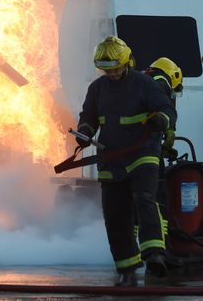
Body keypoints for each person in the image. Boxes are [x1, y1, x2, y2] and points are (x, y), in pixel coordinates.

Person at [76, 36, 177, 286]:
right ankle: (127, 266)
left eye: (115, 69)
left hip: (143, 152)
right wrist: (85, 132)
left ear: (126, 62)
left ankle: (154, 254)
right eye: (106, 70)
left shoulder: (144, 84)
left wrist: (161, 120)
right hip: (112, 157)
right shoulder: (97, 88)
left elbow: (167, 109)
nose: (111, 74)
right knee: (115, 213)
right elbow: (88, 115)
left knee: (145, 199)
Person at [144, 57, 183, 158]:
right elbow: (166, 107)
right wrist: (170, 128)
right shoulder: (162, 82)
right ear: (173, 76)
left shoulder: (143, 79)